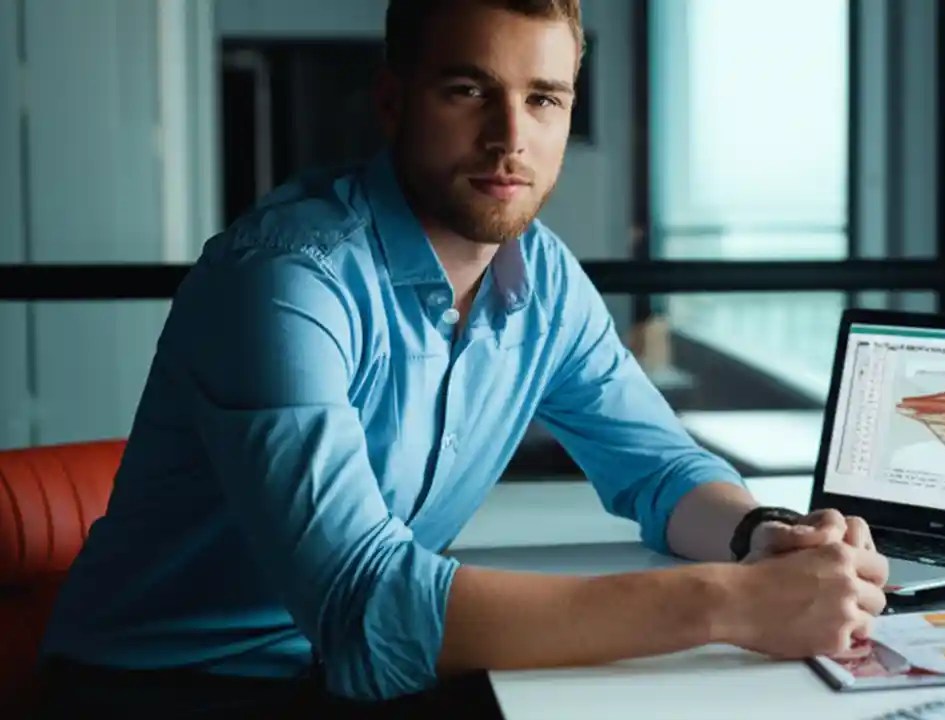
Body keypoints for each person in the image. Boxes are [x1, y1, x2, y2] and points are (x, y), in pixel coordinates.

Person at [36, 0, 889, 714]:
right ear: (392, 101)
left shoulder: (541, 276)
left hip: (338, 674)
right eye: (468, 90)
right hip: (160, 687)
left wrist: (761, 537)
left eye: (544, 99)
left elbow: (660, 469)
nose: (508, 137)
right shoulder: (286, 282)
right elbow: (366, 603)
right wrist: (726, 604)